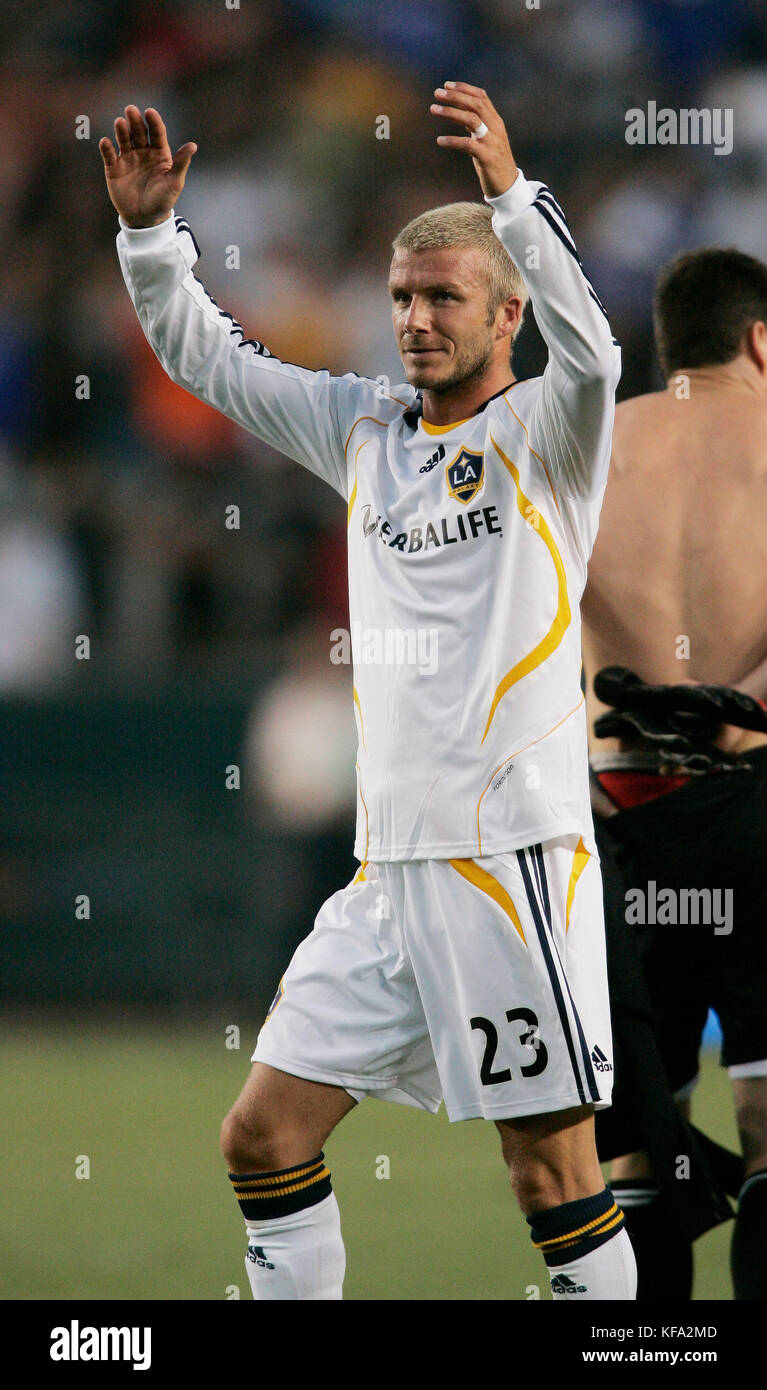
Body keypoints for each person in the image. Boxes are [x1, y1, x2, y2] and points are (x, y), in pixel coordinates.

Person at [100, 84, 634, 1302]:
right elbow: (210, 363)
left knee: (549, 1176)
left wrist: (510, 191)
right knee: (261, 1136)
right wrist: (148, 241)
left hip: (510, 864)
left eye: (442, 295)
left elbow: (595, 348)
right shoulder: (362, 431)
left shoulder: (549, 437)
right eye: (400, 297)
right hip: (383, 876)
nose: (413, 319)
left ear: (506, 311)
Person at [581, 246, 767, 1300]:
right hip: (754, 805)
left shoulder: (584, 444)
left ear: (664, 344)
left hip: (619, 812)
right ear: (756, 340)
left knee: (638, 1151)